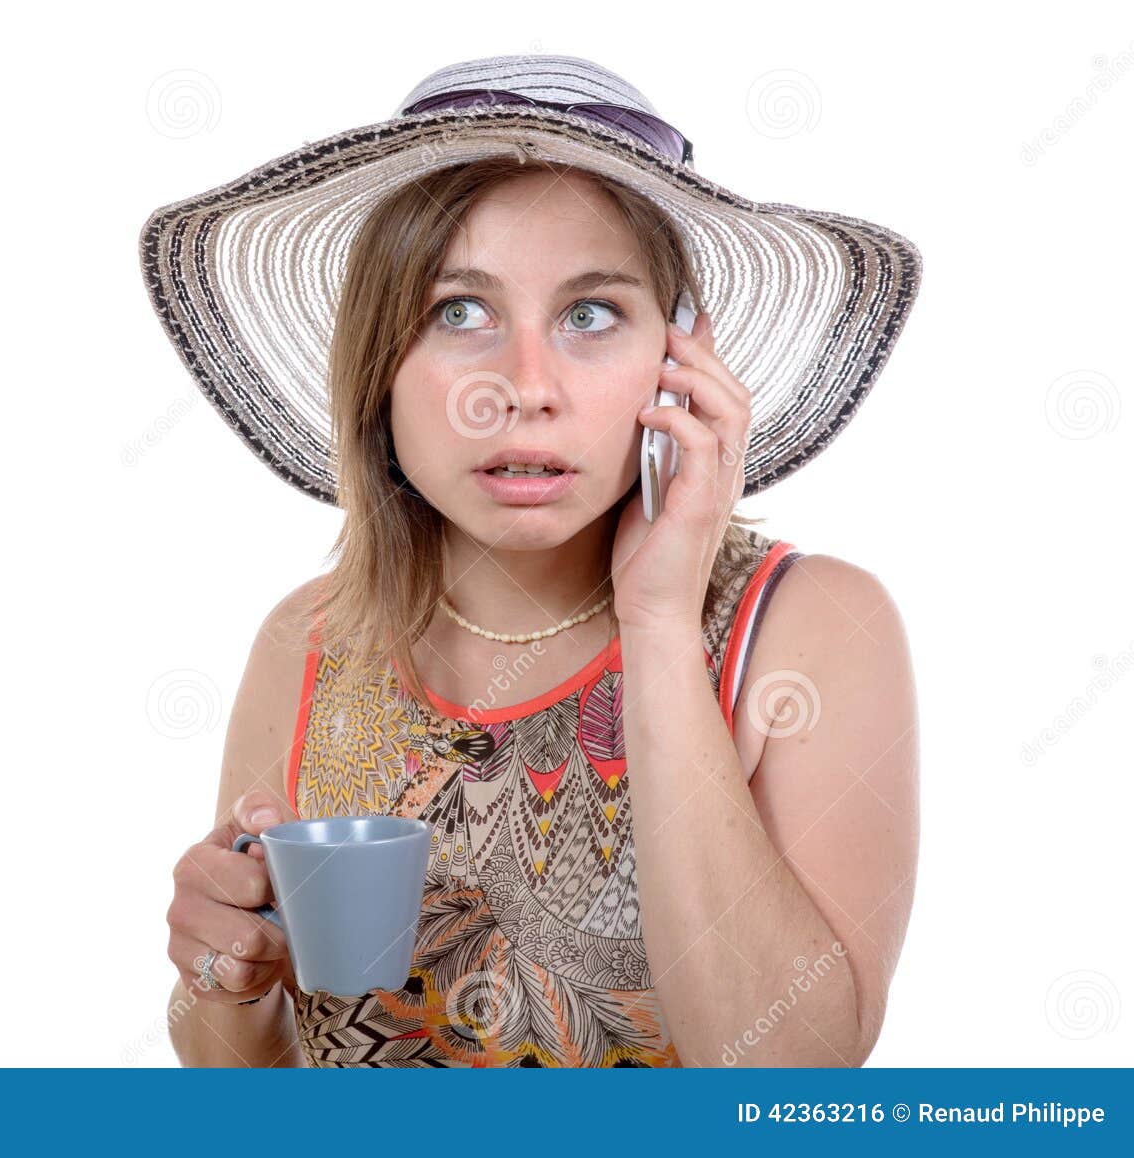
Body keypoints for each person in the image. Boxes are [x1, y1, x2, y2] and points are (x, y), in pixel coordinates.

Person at [142, 54, 922, 1067]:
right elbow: (252, 1087)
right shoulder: (307, 641)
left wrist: (655, 618)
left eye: (589, 314)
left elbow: (783, 1089)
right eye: (457, 311)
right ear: (378, 365)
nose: (525, 386)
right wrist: (224, 985)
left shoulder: (809, 628)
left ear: (678, 360)